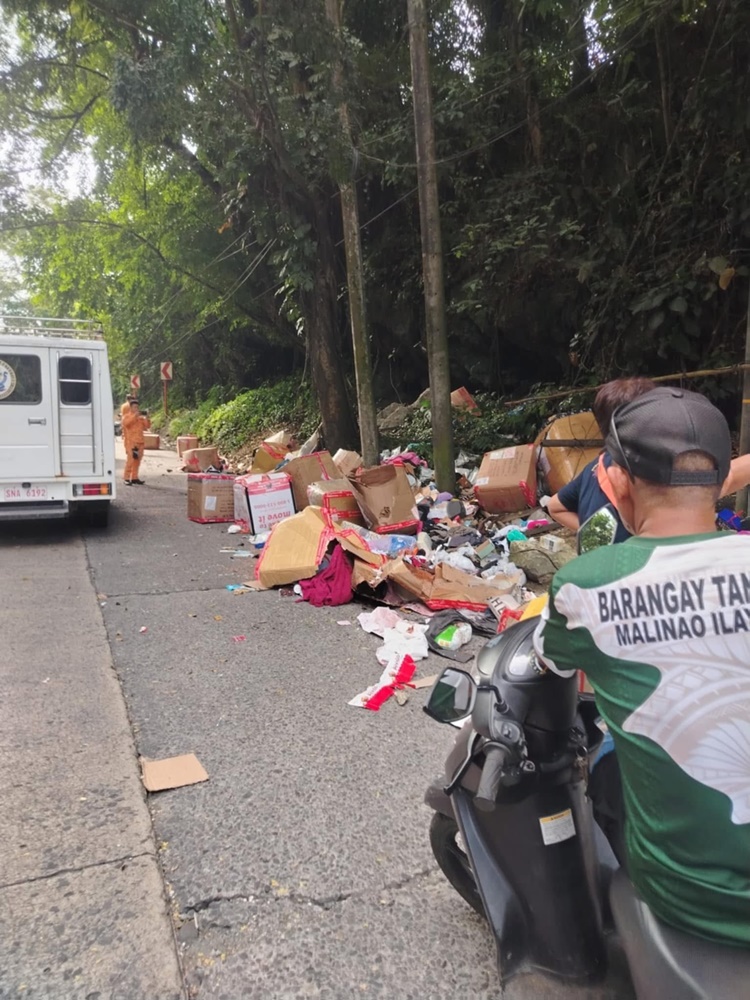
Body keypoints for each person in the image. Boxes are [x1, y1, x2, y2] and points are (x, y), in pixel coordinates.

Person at [533, 387, 750, 946]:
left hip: (696, 902)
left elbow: (551, 662)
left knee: (607, 759)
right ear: (723, 479)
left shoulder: (587, 583)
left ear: (618, 482)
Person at [546, 377, 656, 540]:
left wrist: (594, 534)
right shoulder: (658, 471)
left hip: (598, 561)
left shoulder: (596, 465)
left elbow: (554, 506)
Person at [121, 399, 151, 485]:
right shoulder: (126, 416)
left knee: (137, 460)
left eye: (137, 407)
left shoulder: (140, 418)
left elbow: (147, 426)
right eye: (134, 407)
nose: (136, 408)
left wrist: (147, 418)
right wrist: (134, 416)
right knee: (130, 460)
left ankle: (134, 477)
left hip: (140, 442)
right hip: (131, 442)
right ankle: (126, 477)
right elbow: (127, 424)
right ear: (130, 408)